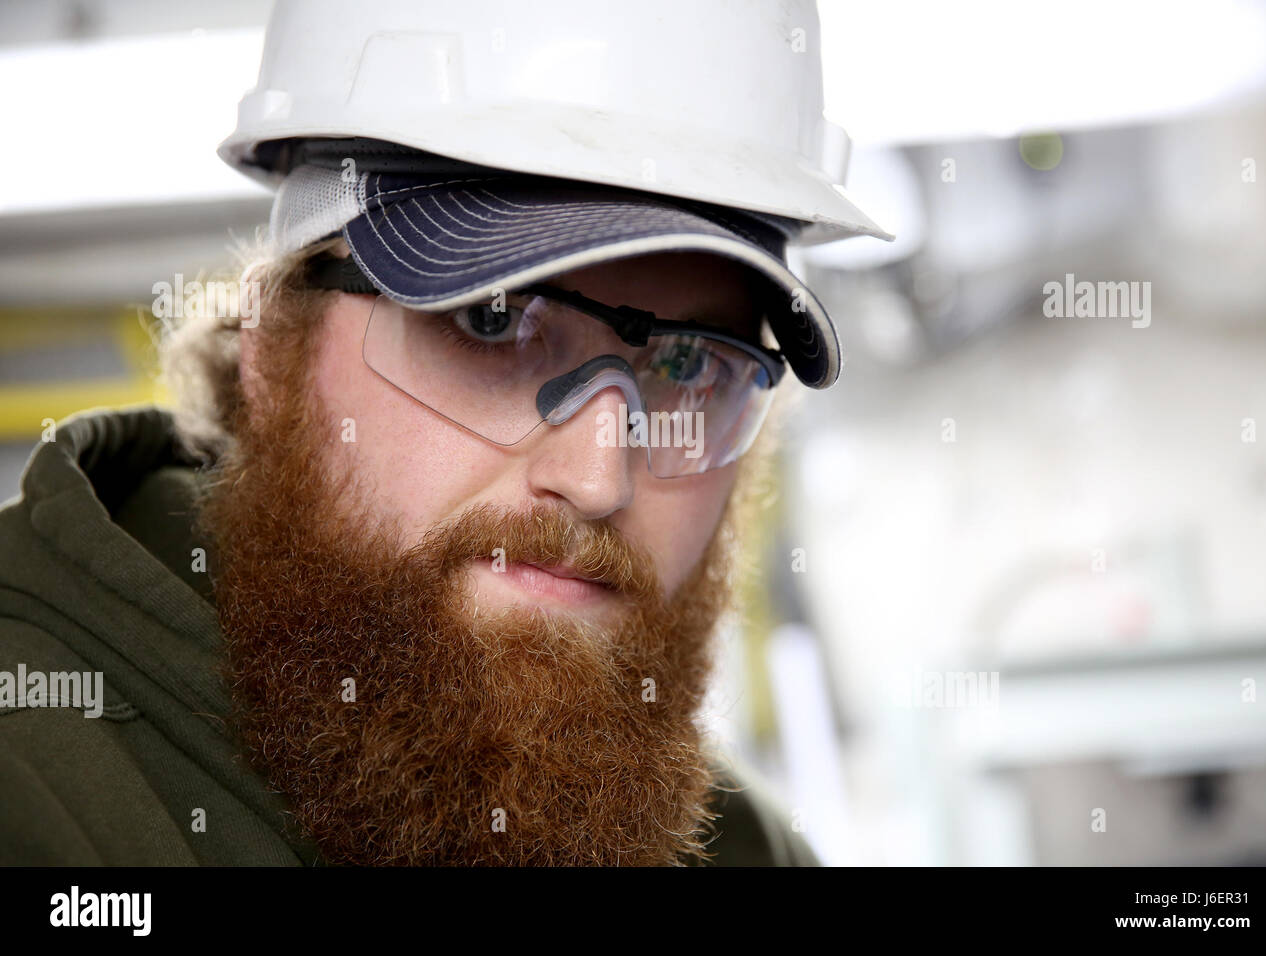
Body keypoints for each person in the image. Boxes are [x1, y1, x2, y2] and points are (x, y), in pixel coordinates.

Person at [0, 0, 888, 866]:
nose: (598, 477)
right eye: (493, 323)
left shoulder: (745, 851)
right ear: (270, 358)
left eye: (693, 369)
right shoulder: (37, 794)